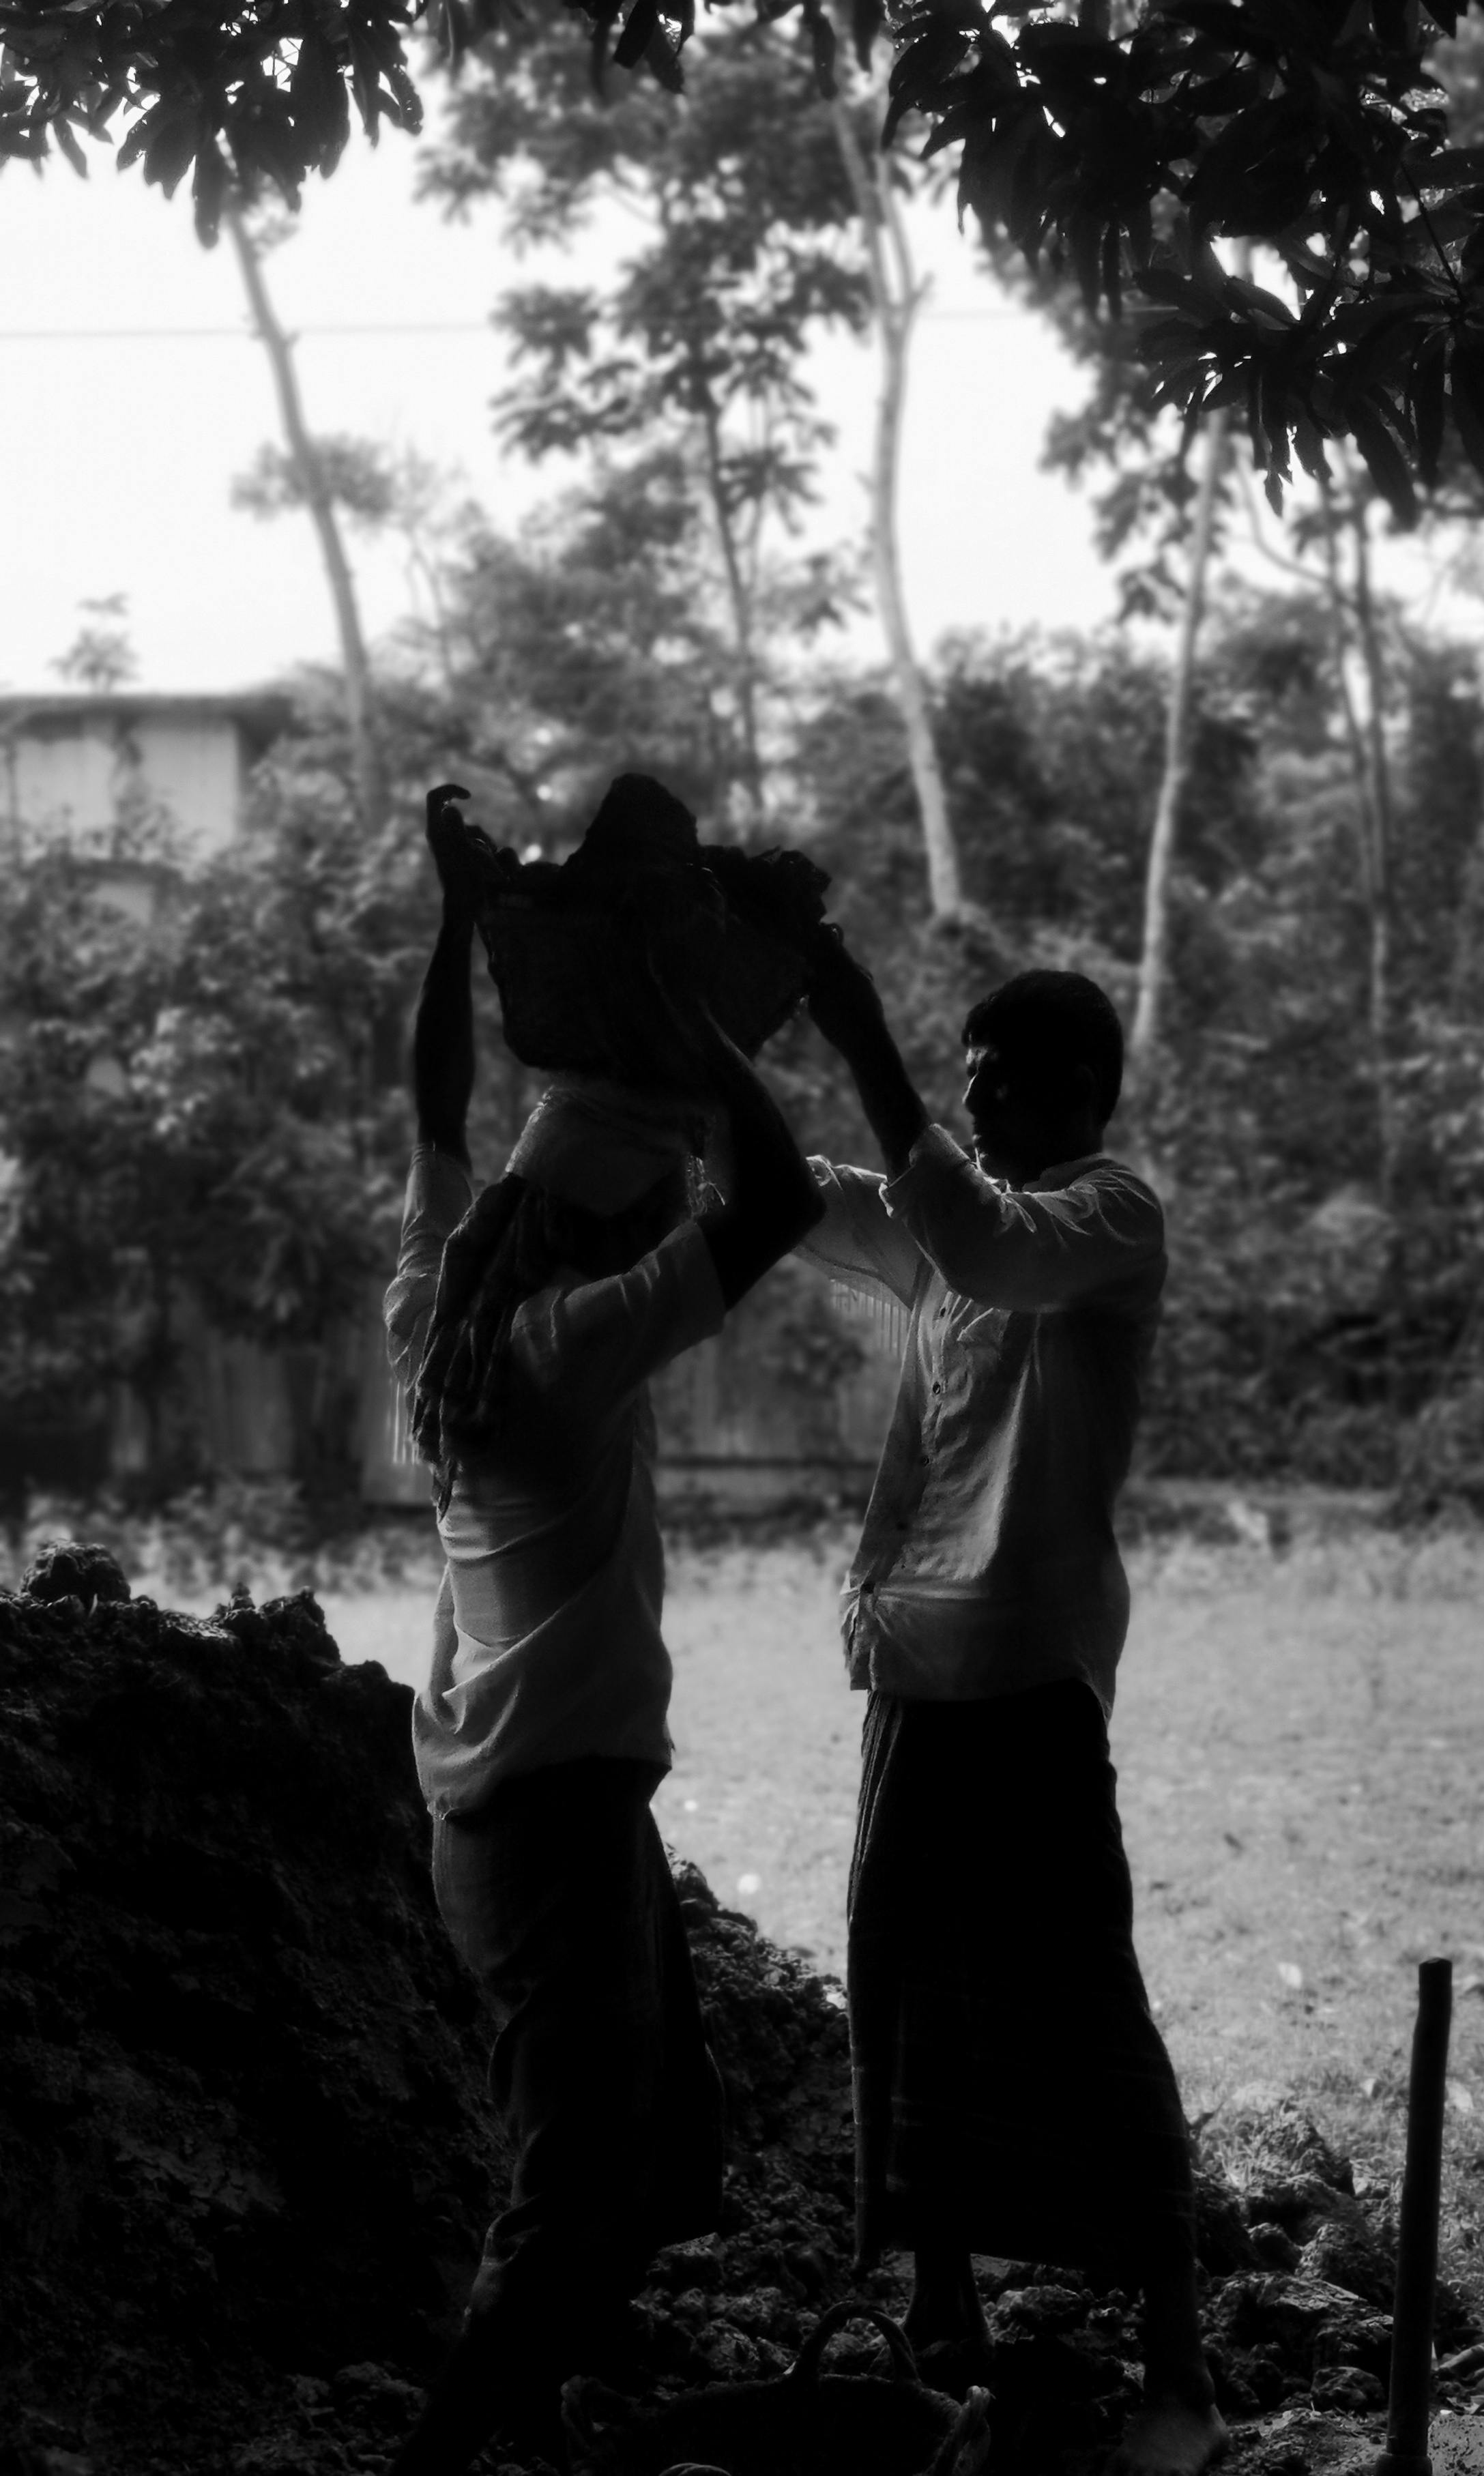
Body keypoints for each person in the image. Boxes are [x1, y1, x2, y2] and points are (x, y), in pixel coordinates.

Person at [384, 786, 824, 2476]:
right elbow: (772, 1201)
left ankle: (553, 2418)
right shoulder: (561, 1347)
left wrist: (451, 924)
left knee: (667, 2165)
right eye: (648, 1221)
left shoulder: (451, 1301)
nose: (664, 1240)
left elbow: (434, 1110)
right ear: (599, 1228)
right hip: (547, 1819)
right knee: (572, 2211)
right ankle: (443, 2460)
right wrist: (686, 1020)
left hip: (546, 1806)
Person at [796, 938, 1228, 2476]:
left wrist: (855, 1024)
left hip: (1034, 1670)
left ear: (1078, 1094)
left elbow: (975, 1236)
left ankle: (1178, 2353)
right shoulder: (951, 1230)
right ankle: (942, 2305)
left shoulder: (1107, 1218)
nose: (973, 1105)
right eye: (962, 1081)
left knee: (1075, 1992)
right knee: (904, 1984)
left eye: (997, 1083)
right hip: (916, 1661)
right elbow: (820, 1193)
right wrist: (682, 1044)